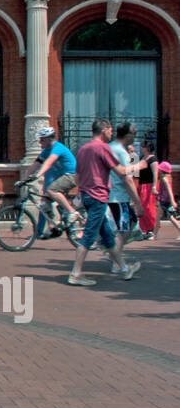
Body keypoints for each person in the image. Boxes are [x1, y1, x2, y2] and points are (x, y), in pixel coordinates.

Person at [67, 119, 142, 286]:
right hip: (98, 197)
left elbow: (77, 177)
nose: (111, 134)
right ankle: (75, 273)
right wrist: (140, 165)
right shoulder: (102, 148)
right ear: (104, 130)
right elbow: (121, 171)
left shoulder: (83, 149)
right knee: (88, 237)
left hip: (87, 196)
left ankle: (123, 268)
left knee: (108, 236)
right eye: (110, 130)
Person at [28, 126, 81, 237]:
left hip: (71, 175)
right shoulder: (45, 151)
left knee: (51, 191)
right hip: (61, 177)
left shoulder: (58, 147)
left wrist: (38, 174)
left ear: (49, 139)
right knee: (45, 202)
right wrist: (24, 179)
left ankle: (72, 212)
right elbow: (36, 164)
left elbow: (48, 162)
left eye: (42, 139)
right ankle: (53, 228)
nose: (40, 142)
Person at [107, 122, 139, 239]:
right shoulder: (121, 152)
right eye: (134, 133)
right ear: (128, 135)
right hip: (119, 196)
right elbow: (129, 179)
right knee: (124, 230)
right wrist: (138, 202)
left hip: (110, 195)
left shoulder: (109, 147)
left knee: (127, 225)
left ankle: (113, 253)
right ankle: (114, 255)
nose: (135, 136)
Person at [135, 135, 159, 240]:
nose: (141, 148)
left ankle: (152, 229)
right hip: (141, 185)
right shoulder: (141, 158)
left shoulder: (153, 159)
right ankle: (145, 229)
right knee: (141, 208)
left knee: (149, 207)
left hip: (149, 186)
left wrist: (154, 186)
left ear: (147, 148)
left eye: (143, 146)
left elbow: (155, 173)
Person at [155, 160, 180, 239]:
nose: (158, 170)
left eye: (160, 169)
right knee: (158, 217)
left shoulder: (165, 179)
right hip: (164, 200)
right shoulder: (168, 178)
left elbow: (169, 190)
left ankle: (154, 234)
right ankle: (154, 234)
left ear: (163, 170)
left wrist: (172, 201)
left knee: (171, 218)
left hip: (166, 201)